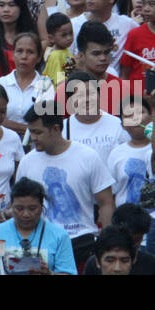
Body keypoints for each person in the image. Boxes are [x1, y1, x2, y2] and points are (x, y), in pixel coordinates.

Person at [17, 106, 116, 268]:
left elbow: (106, 203)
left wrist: (106, 245)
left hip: (82, 242)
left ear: (55, 129)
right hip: (40, 245)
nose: (33, 138)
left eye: (38, 132)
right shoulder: (27, 162)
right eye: (31, 132)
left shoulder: (87, 156)